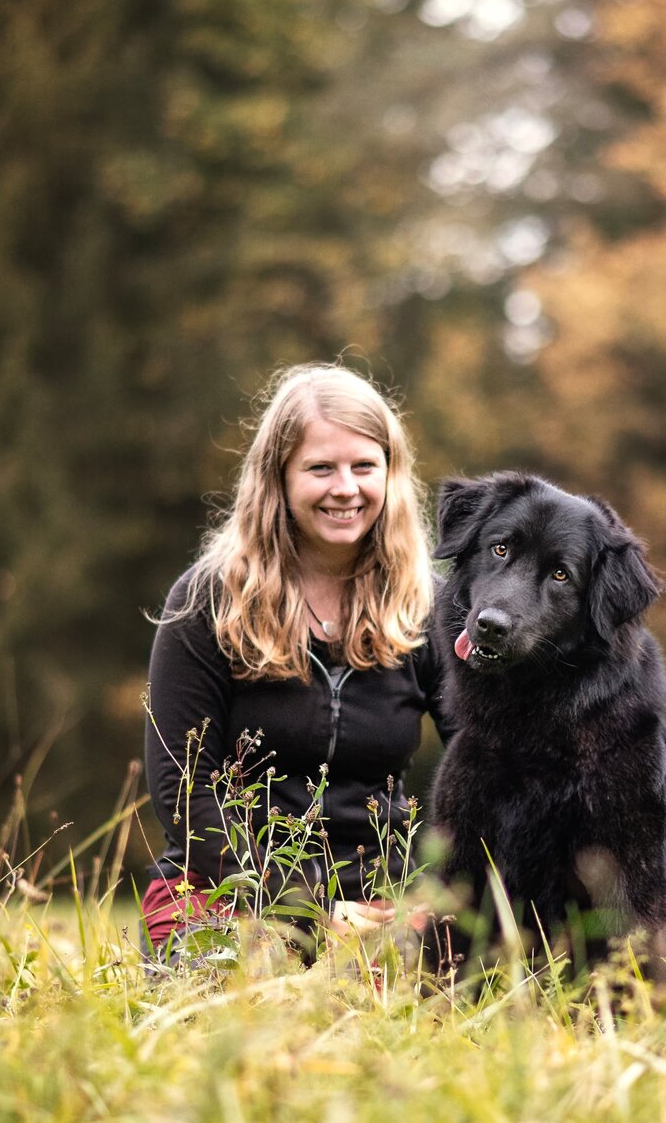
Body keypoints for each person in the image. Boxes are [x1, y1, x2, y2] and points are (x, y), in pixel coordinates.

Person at [141, 364, 450, 957]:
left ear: (391, 474)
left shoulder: (428, 606)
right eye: (320, 468)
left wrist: (433, 891)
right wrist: (306, 910)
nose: (346, 488)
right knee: (243, 981)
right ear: (277, 478)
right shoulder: (208, 601)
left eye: (365, 466)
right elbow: (182, 790)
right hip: (225, 889)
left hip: (379, 902)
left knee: (443, 979)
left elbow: (484, 761)